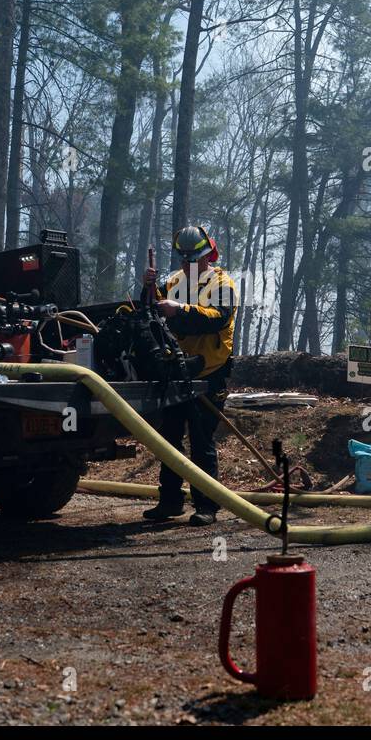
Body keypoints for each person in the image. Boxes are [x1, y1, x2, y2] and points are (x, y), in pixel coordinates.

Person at [141, 224, 238, 526]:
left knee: (201, 439)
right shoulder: (173, 281)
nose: (187, 265)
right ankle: (170, 501)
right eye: (183, 259)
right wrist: (149, 288)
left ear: (208, 256)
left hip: (209, 373)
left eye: (192, 260)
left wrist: (179, 309)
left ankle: (206, 505)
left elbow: (215, 320)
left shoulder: (224, 284)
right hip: (177, 369)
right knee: (169, 438)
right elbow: (153, 310)